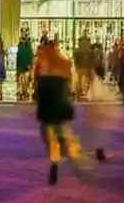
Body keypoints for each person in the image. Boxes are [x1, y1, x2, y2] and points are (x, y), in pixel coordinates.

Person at [33, 38, 85, 185]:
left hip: (47, 108)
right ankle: (76, 162)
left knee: (50, 137)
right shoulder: (64, 61)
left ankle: (55, 162)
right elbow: (70, 85)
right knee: (65, 133)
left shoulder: (41, 61)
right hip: (61, 106)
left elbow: (36, 81)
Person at [15, 33, 34, 101]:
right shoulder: (29, 49)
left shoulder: (19, 49)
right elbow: (31, 58)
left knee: (22, 80)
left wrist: (17, 69)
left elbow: (17, 59)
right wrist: (31, 65)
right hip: (27, 67)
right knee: (26, 80)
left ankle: (23, 92)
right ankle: (25, 92)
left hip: (21, 67)